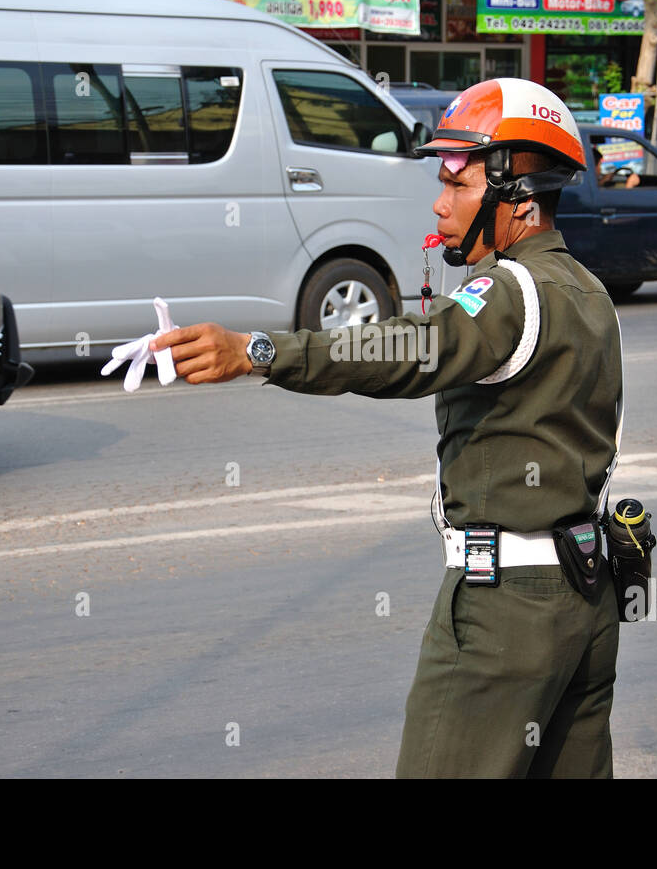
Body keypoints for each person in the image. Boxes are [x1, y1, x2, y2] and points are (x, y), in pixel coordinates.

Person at [150, 78, 624, 779]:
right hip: (587, 598)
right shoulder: (588, 292)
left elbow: (399, 351)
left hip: (506, 613)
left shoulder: (507, 293)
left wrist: (256, 350)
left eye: (455, 182)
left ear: (515, 190)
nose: (439, 202)